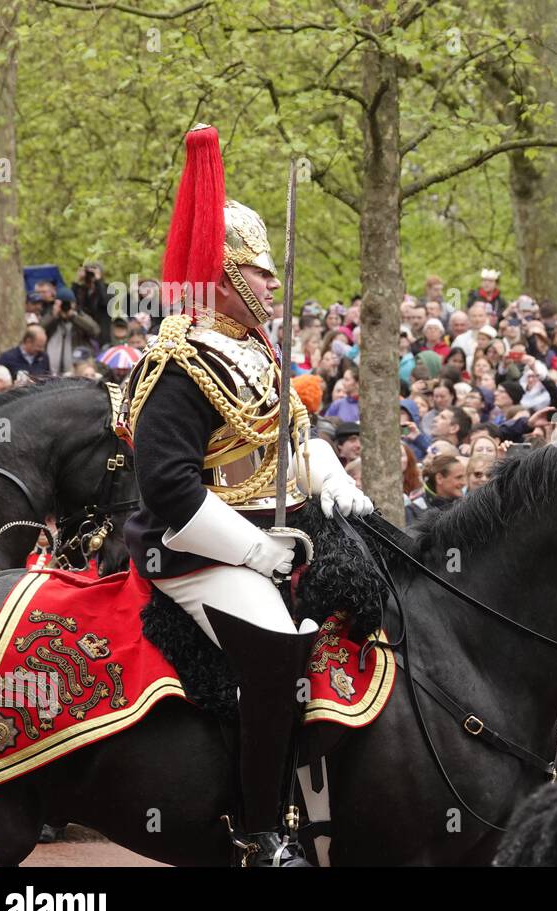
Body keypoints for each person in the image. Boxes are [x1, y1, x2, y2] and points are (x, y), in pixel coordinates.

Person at [119, 125, 373, 867]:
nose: (273, 285)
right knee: (278, 652)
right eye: (261, 274)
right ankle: (261, 828)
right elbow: (167, 487)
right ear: (225, 278)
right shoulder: (178, 358)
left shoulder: (255, 347)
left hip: (278, 536)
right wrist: (254, 549)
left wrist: (331, 477)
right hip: (200, 553)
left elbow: (291, 437)